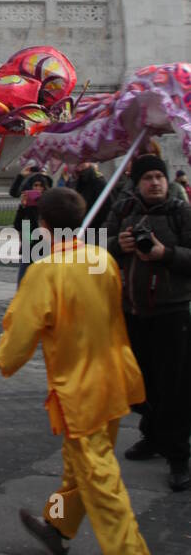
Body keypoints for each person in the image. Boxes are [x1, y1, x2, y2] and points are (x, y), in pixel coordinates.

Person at [0, 187, 159, 555]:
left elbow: (22, 332)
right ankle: (58, 527)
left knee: (98, 473)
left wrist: (0, 357)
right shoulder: (101, 259)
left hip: (78, 390)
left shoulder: (46, 272)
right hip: (113, 379)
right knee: (80, 465)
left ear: (43, 225)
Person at [104, 154, 191, 493]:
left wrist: (164, 254)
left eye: (159, 176)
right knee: (139, 385)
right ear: (136, 182)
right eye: (147, 178)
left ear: (167, 180)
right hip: (131, 312)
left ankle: (178, 456)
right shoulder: (122, 211)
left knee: (174, 389)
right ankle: (152, 435)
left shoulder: (180, 212)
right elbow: (97, 254)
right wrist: (117, 245)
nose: (155, 182)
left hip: (171, 313)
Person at [13, 171, 53, 287]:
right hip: (28, 246)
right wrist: (23, 207)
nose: (38, 188)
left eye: (41, 186)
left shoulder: (48, 204)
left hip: (43, 247)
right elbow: (18, 225)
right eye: (35, 185)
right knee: (23, 282)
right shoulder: (26, 205)